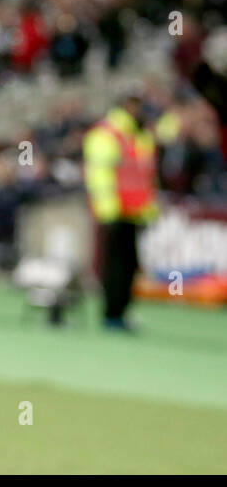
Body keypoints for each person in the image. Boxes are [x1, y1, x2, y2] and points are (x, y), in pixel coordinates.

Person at [83, 90, 159, 331]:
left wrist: (148, 209)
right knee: (115, 265)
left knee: (130, 264)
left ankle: (122, 312)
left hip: (135, 211)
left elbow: (144, 175)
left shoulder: (140, 134)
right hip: (115, 210)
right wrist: (107, 209)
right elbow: (99, 173)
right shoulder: (107, 133)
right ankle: (111, 313)